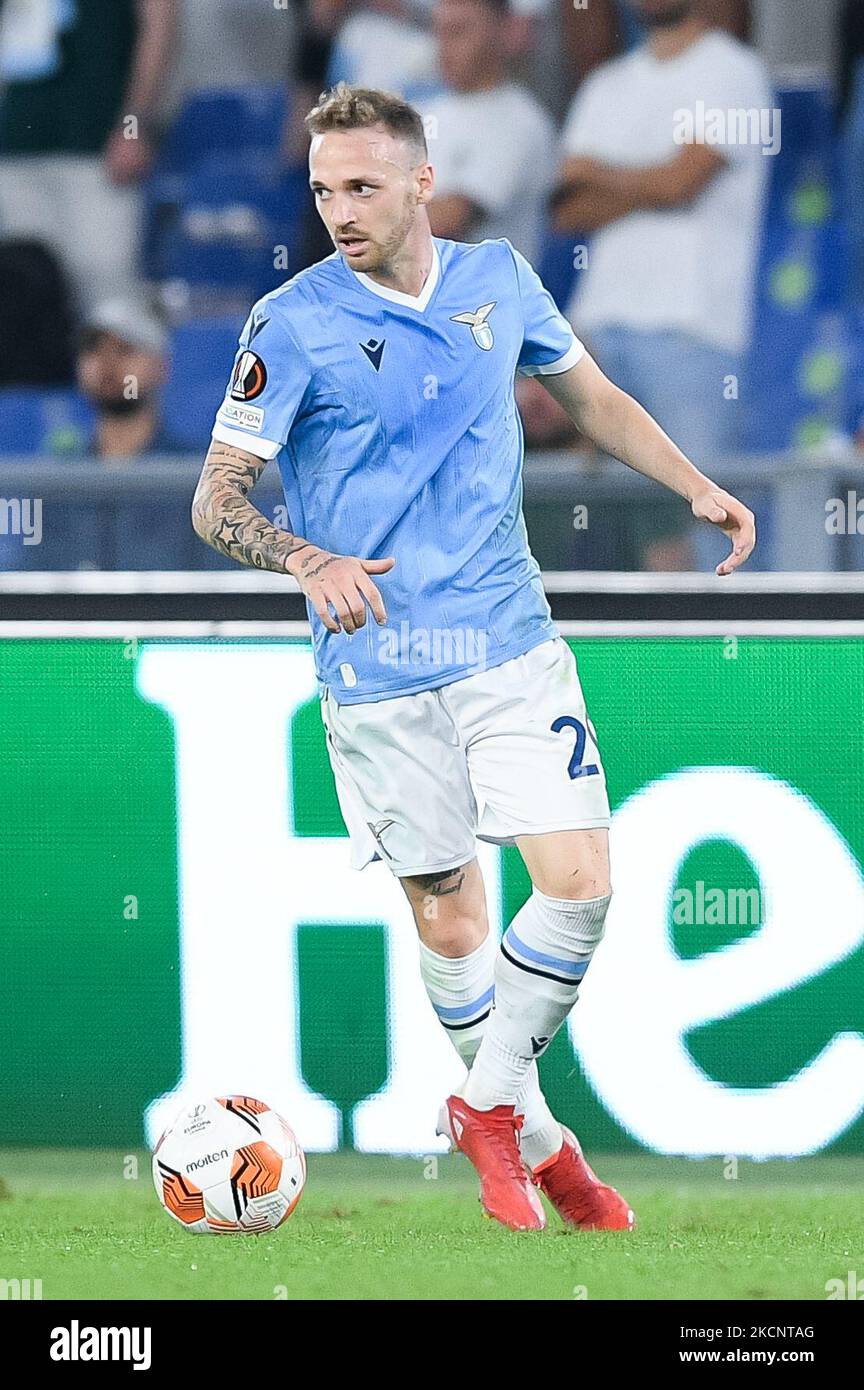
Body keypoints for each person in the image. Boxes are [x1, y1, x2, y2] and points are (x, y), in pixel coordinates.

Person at [191, 82, 755, 1232]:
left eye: (359, 186)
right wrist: (305, 558)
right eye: (320, 190)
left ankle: (485, 1106)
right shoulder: (289, 321)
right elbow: (215, 498)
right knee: (451, 920)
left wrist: (692, 483)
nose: (338, 209)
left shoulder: (497, 277)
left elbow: (587, 394)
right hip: (376, 668)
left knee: (581, 885)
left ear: (420, 181)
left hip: (508, 640)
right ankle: (541, 1144)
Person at [553, 0, 770, 564]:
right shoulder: (605, 83)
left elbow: (683, 182)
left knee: (706, 533)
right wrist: (655, 178)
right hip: (594, 330)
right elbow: (569, 210)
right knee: (586, 526)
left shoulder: (732, 70)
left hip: (692, 333)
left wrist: (598, 171)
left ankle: (718, 653)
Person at [0, 0, 177, 314]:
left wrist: (134, 124)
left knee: (108, 290)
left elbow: (159, 29)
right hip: (17, 144)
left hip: (98, 144)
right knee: (25, 295)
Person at [424, 0, 556, 263]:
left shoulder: (520, 122)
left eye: (458, 31)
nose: (444, 45)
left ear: (501, 32)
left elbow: (448, 222)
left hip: (489, 299)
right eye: (439, 31)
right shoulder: (423, 112)